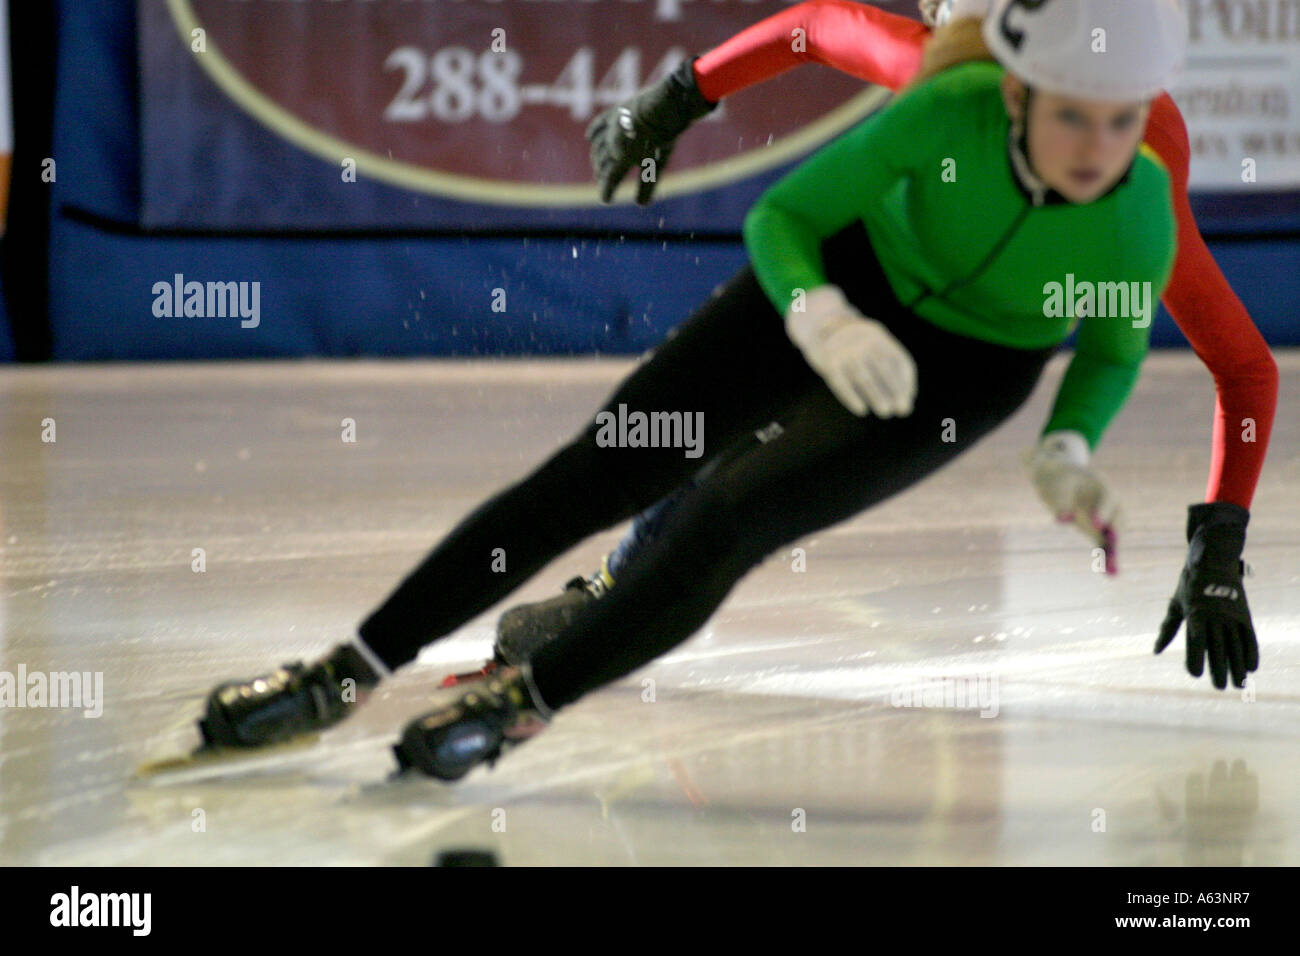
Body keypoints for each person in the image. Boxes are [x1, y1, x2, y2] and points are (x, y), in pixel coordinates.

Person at [196, 0, 1244, 783]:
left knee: (730, 515)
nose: (1094, 152)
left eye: (1119, 123)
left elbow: (1186, 359)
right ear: (1010, 83)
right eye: (1073, 119)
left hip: (971, 367)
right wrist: (814, 308)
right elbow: (800, 152)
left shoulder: (1140, 196)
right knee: (600, 466)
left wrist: (1183, 518)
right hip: (846, 272)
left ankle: (533, 698)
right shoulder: (942, 93)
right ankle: (345, 668)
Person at [483, 0, 1275, 695]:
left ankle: (620, 584)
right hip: (899, 278)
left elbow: (1242, 369)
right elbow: (819, 28)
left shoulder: (1130, 165)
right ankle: (620, 581)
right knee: (742, 408)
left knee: (754, 459)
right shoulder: (956, 77)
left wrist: (1220, 542)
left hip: (969, 342)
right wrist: (679, 97)